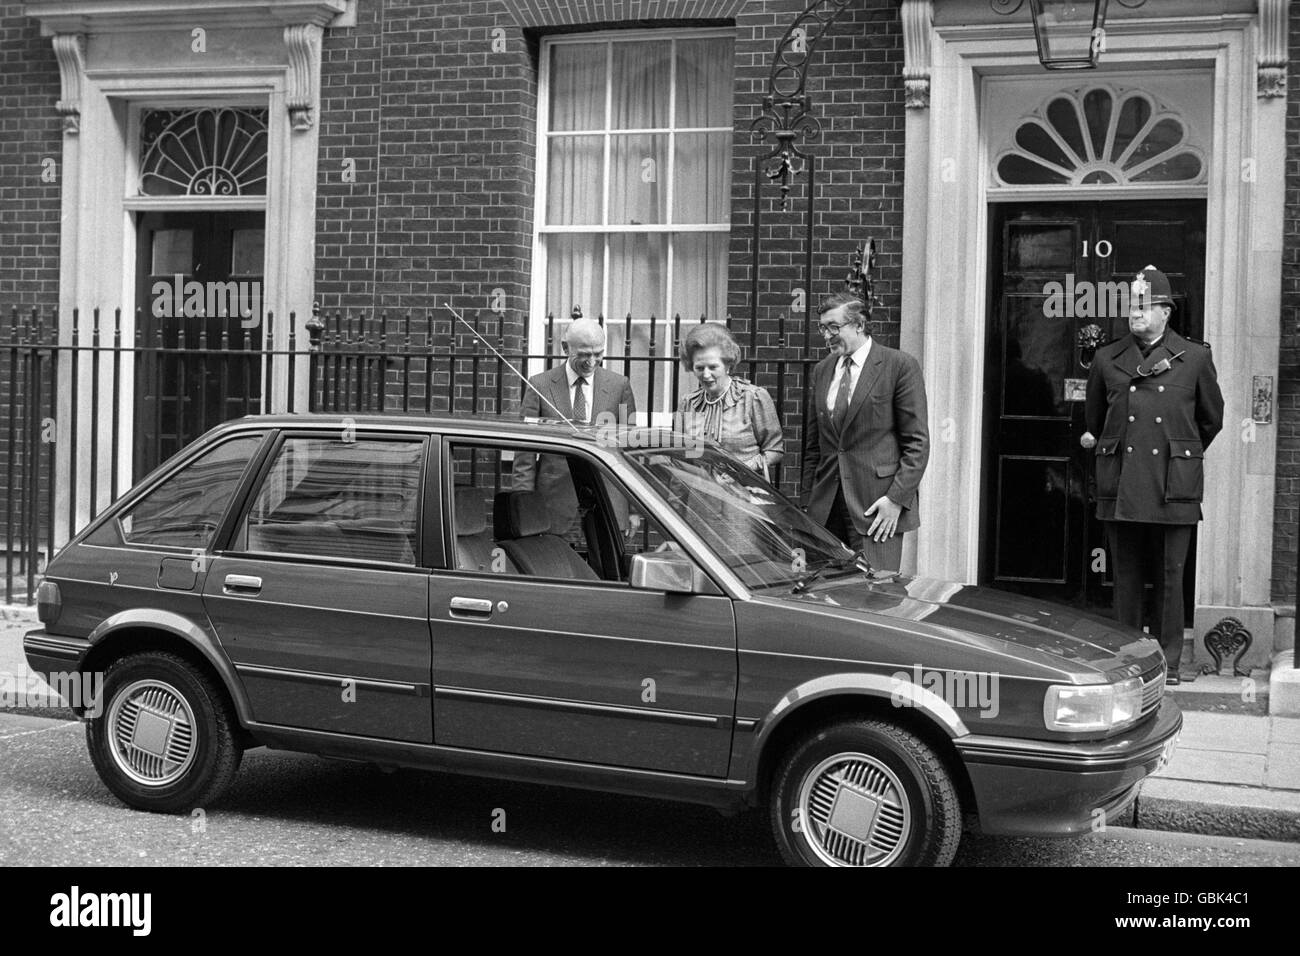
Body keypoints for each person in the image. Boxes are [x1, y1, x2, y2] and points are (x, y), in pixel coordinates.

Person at [1081, 265, 1224, 684]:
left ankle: (1169, 663)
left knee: (1170, 574)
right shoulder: (1108, 358)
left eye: (1145, 305)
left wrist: (1180, 456)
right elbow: (1094, 419)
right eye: (1131, 305)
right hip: (1122, 482)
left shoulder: (1194, 357)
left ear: (1166, 312)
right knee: (1125, 576)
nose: (1135, 313)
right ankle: (1127, 660)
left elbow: (1210, 419)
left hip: (1172, 485)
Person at [800, 291, 930, 571]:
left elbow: (917, 443)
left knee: (876, 597)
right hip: (826, 508)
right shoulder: (822, 370)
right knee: (825, 596)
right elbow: (813, 445)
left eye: (834, 327)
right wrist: (807, 503)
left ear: (859, 325)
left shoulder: (899, 366)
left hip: (877, 507)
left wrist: (896, 500)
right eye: (822, 328)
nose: (826, 335)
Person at [514, 318, 636, 535]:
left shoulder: (620, 386)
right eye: (584, 354)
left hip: (608, 502)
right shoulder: (540, 385)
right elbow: (525, 453)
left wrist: (633, 509)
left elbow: (629, 451)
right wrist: (523, 506)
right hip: (553, 504)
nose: (592, 361)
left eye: (598, 353)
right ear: (565, 348)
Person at [677, 322, 784, 477]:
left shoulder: (753, 398)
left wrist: (741, 469)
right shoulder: (688, 404)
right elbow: (682, 460)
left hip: (744, 495)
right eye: (699, 368)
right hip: (702, 497)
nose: (706, 375)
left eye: (713, 367)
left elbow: (775, 451)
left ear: (728, 364)